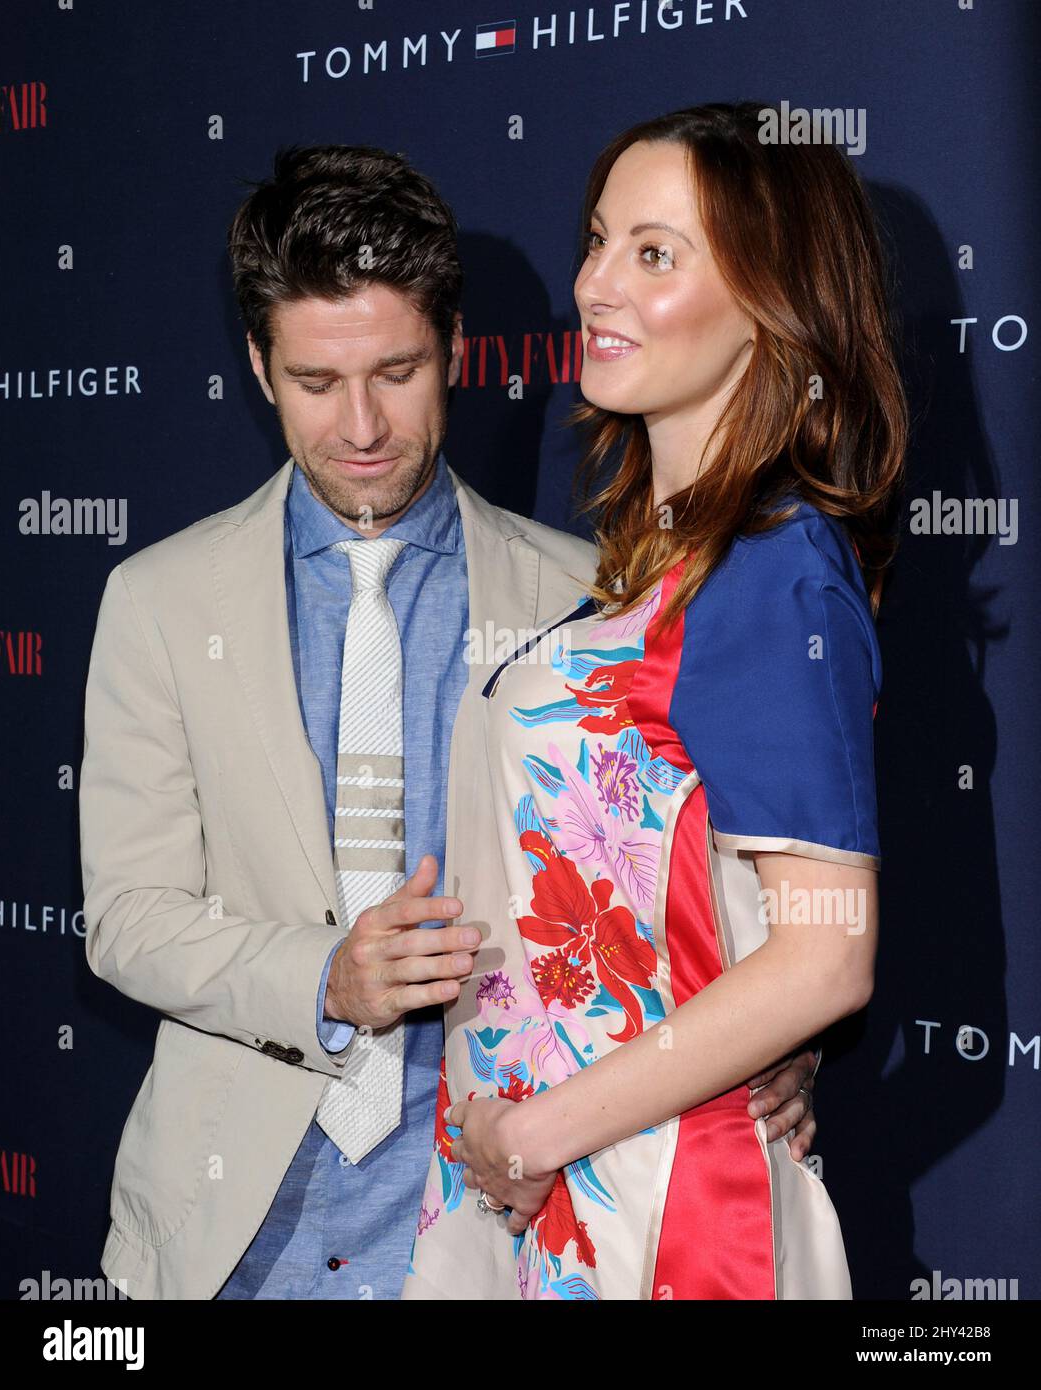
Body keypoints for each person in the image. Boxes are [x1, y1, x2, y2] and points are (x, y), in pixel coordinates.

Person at [79, 142, 822, 1302]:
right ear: (259, 370)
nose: (362, 424)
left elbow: (714, 894)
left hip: (500, 1221)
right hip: (231, 1240)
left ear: (459, 352)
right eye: (317, 383)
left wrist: (766, 1049)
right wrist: (325, 975)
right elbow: (126, 917)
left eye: (398, 370)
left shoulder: (595, 593)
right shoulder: (161, 601)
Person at [404, 103, 908, 1301]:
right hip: (572, 1191)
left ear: (771, 302)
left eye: (654, 253)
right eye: (596, 240)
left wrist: (535, 1133)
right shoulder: (663, 566)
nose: (593, 285)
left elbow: (825, 958)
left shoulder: (772, 569)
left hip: (665, 1219)